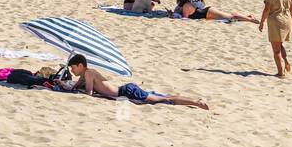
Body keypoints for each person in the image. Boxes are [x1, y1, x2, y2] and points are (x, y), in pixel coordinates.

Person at [67, 55, 208, 110]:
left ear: (80, 65)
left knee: (165, 99)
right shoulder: (87, 73)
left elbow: (89, 93)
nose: (72, 71)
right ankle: (195, 101)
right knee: (162, 98)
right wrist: (62, 84)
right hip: (125, 90)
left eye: (73, 68)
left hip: (126, 92)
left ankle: (197, 102)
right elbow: (76, 85)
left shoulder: (89, 73)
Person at [259, 0, 292, 78]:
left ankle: (281, 73)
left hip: (276, 22)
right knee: (280, 45)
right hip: (287, 22)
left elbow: (266, 10)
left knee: (276, 50)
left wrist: (262, 22)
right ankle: (285, 61)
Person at [173, 0, 259, 23]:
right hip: (207, 12)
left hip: (207, 13)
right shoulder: (187, 3)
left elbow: (185, 18)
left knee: (231, 17)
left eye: (177, 1)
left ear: (180, 0)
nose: (177, 2)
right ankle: (248, 16)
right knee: (229, 15)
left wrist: (174, 16)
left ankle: (251, 19)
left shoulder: (185, 6)